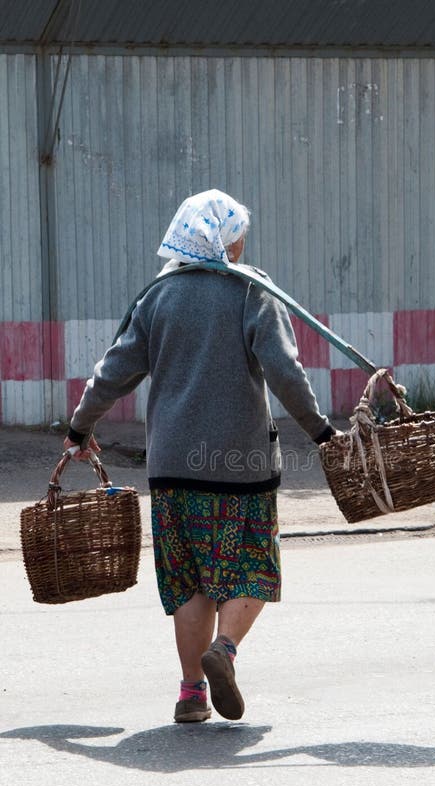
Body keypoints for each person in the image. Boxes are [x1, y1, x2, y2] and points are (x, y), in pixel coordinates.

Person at [64, 188, 335, 724]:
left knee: (189, 582)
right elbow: (285, 373)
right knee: (251, 570)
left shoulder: (156, 298)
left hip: (171, 470)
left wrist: (79, 427)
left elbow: (112, 373)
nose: (242, 246)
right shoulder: (252, 293)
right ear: (226, 242)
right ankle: (225, 650)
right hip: (240, 467)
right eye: (239, 237)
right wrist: (322, 433)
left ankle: (191, 694)